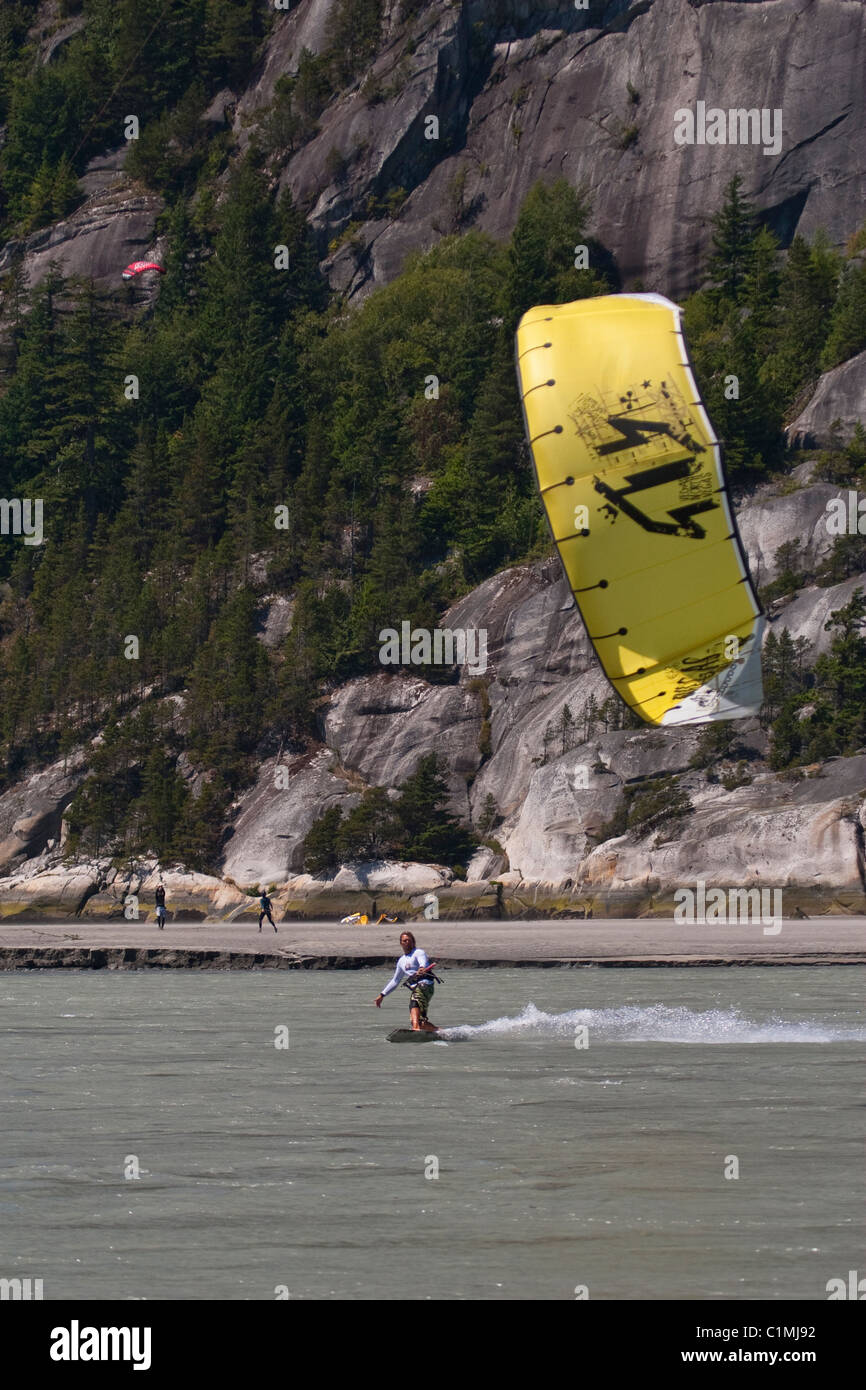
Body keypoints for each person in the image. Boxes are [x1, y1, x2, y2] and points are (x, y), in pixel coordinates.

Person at [375, 930, 439, 1032]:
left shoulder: (418, 953)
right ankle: (440, 1032)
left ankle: (415, 1029)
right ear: (401, 943)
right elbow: (395, 981)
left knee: (414, 1004)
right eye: (404, 941)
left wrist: (422, 967)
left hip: (425, 985)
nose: (407, 942)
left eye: (409, 940)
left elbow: (423, 962)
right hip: (418, 989)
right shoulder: (401, 961)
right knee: (419, 1021)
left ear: (413, 942)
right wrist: (382, 995)